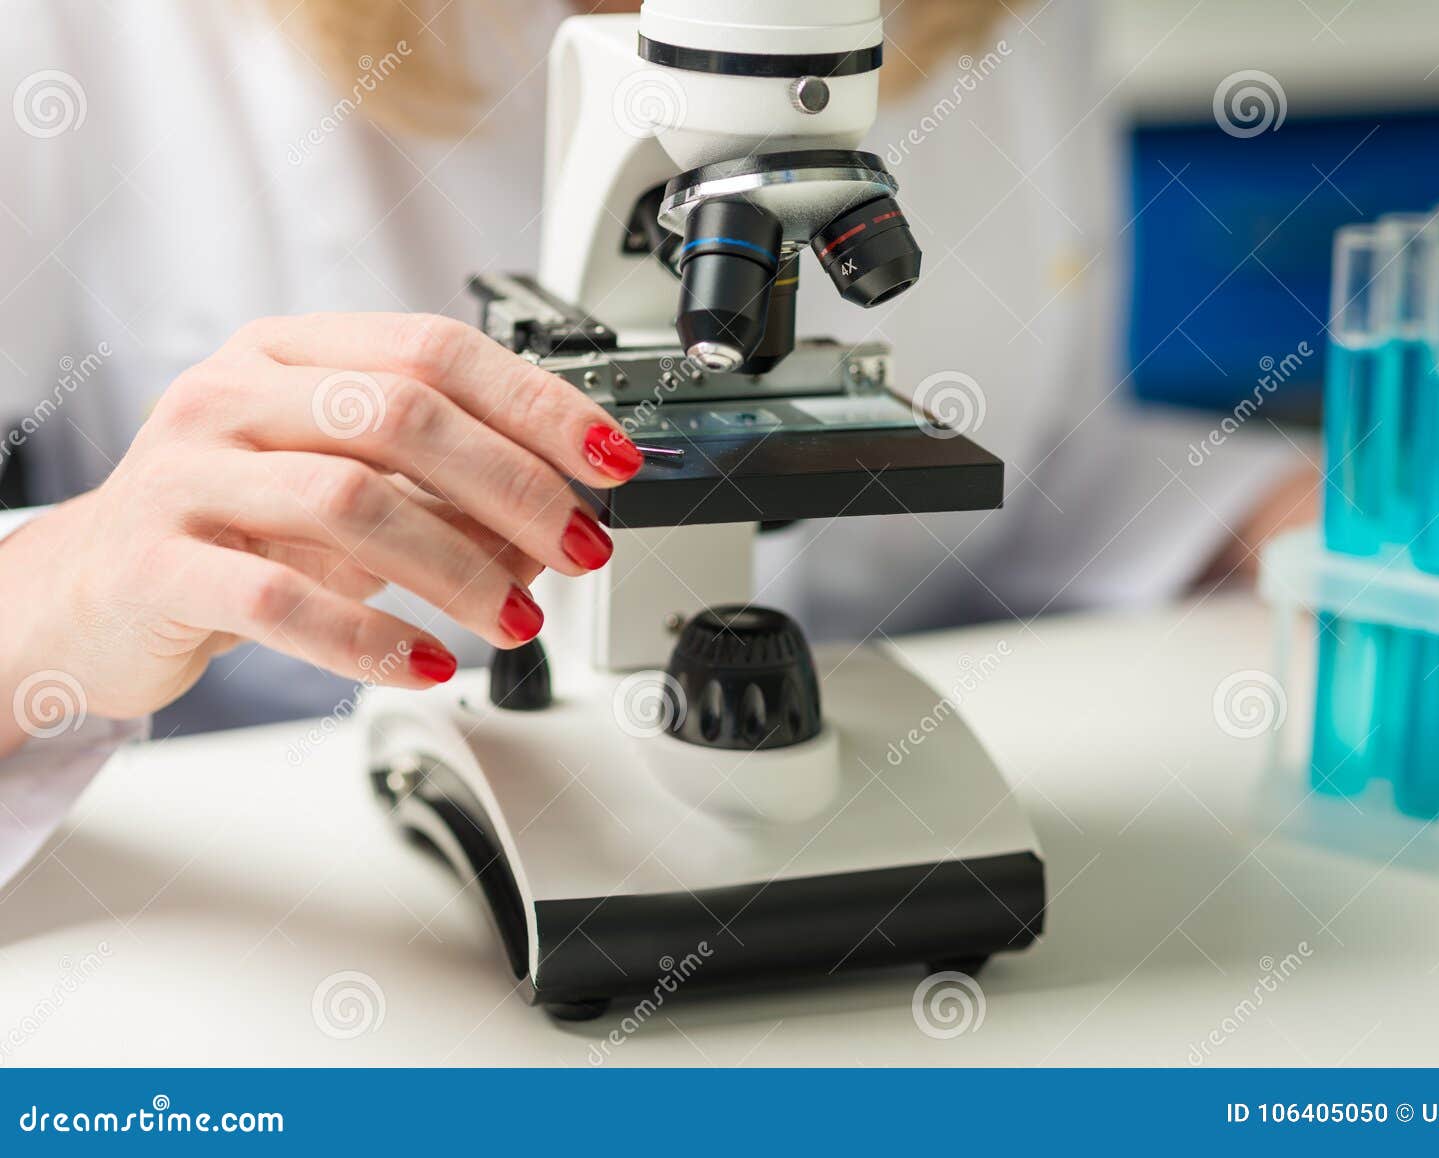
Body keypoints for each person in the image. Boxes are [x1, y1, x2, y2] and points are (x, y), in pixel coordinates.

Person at [0, 0, 1313, 882]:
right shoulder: (95, 36)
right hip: (271, 887)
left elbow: (1049, 461)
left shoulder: (1016, 20)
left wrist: (1304, 523)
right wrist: (58, 590)